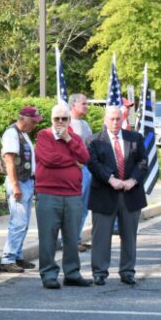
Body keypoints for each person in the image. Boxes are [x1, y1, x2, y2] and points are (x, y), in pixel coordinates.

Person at [87, 106, 148, 286]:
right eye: (111, 119)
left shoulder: (135, 138)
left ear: (123, 119)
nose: (114, 122)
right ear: (105, 120)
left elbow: (143, 162)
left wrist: (133, 180)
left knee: (129, 236)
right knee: (101, 237)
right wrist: (110, 179)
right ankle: (99, 272)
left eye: (118, 119)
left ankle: (127, 271)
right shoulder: (93, 140)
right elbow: (93, 164)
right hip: (104, 194)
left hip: (131, 194)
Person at [34, 103, 91, 289]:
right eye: (56, 119)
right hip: (48, 194)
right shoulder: (44, 135)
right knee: (48, 238)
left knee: (72, 237)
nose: (60, 122)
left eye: (64, 119)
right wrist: (72, 161)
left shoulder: (74, 137)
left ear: (69, 120)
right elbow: (49, 160)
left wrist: (68, 140)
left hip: (73, 194)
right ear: (51, 120)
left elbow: (85, 157)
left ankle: (72, 273)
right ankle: (49, 274)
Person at [0, 106, 41, 273]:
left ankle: (17, 256)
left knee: (23, 223)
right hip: (19, 183)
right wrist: (15, 185)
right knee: (18, 222)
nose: (35, 125)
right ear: (24, 118)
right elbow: (9, 160)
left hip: (26, 182)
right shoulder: (12, 134)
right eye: (33, 121)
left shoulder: (23, 134)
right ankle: (7, 259)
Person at [68, 93, 93, 252]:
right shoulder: (66, 123)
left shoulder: (85, 124)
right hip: (74, 171)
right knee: (74, 207)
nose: (87, 106)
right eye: (84, 104)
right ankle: (69, 242)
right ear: (73, 105)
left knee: (83, 208)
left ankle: (76, 239)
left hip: (87, 170)